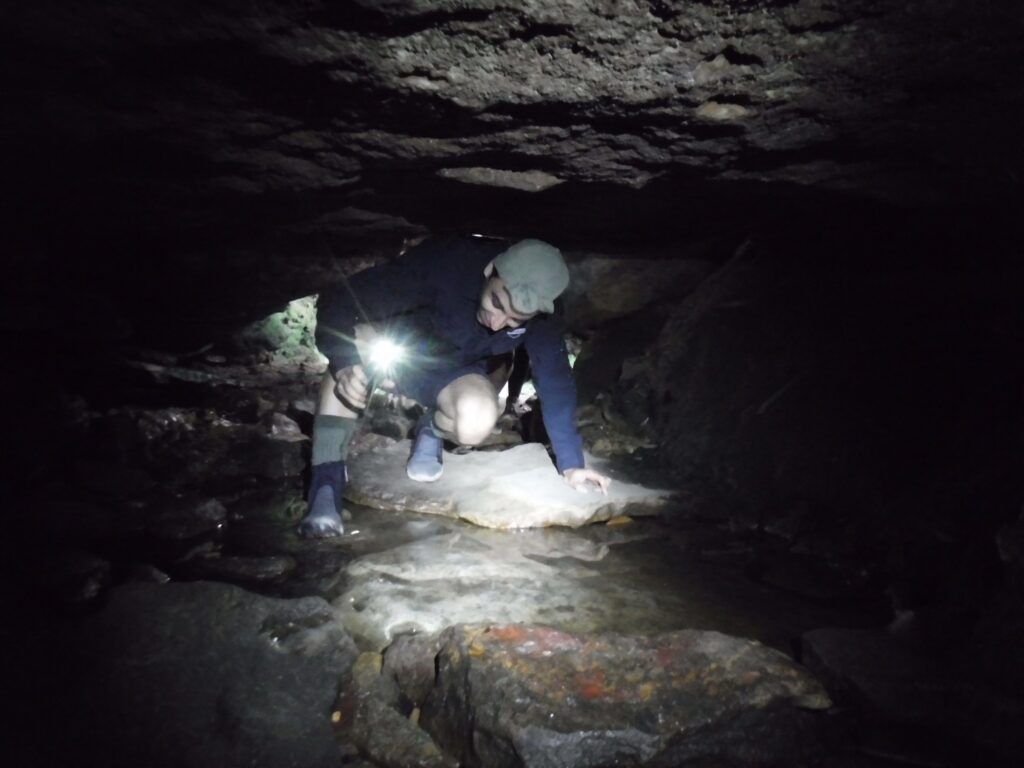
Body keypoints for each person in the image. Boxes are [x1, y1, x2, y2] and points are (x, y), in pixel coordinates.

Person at [298, 235, 612, 538]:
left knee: (476, 422)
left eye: (515, 320)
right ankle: (326, 480)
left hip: (453, 373)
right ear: (490, 270)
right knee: (353, 346)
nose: (497, 322)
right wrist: (346, 361)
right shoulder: (445, 263)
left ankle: (431, 428)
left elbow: (555, 379)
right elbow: (339, 300)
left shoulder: (543, 316)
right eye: (496, 302)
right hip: (396, 350)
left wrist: (572, 465)